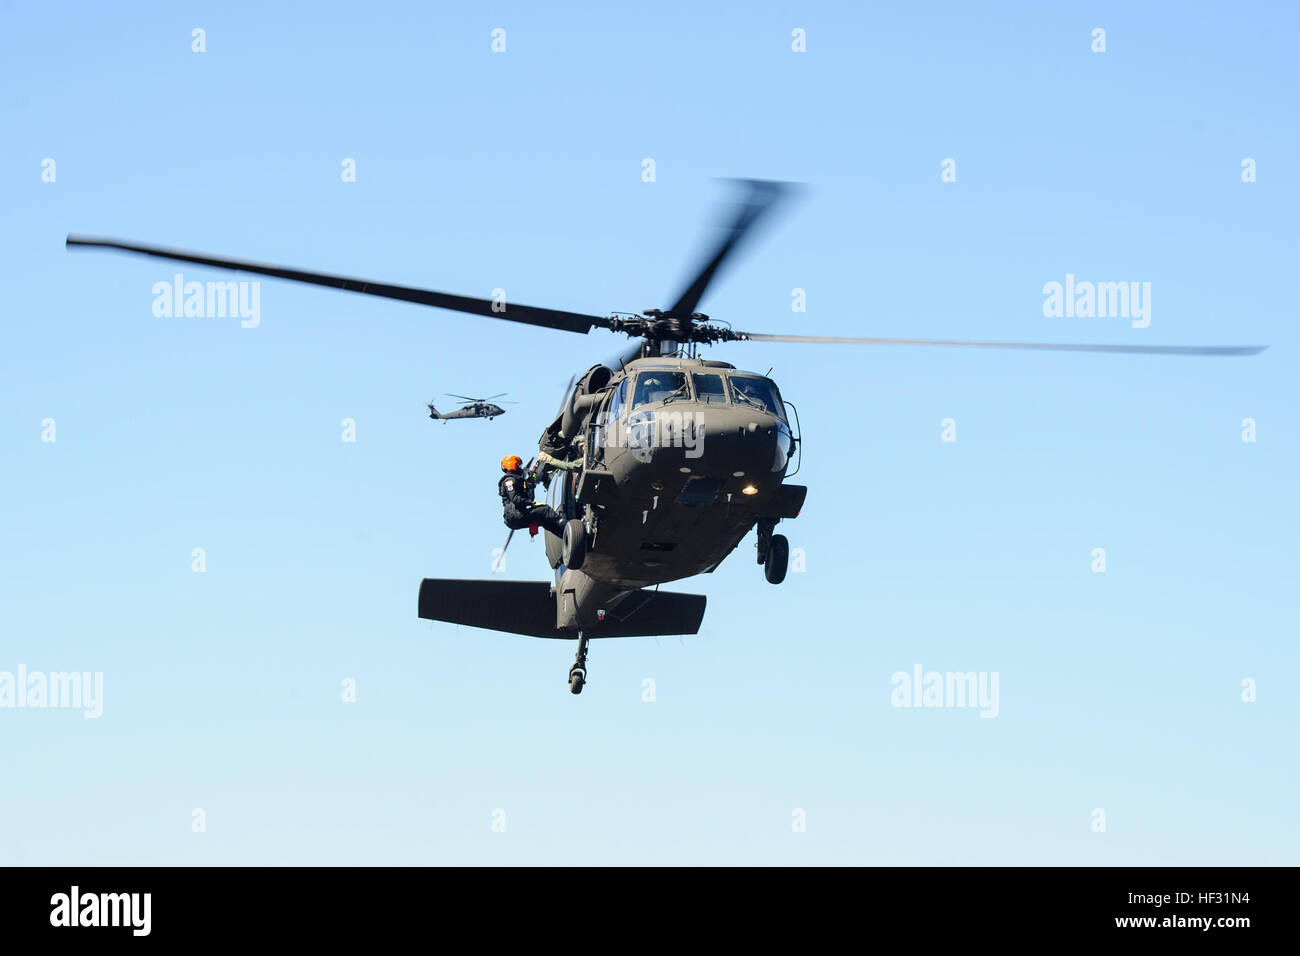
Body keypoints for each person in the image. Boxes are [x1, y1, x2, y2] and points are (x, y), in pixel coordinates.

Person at [498, 454, 579, 536]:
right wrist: (529, 502)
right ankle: (569, 528)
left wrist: (534, 474)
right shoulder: (509, 481)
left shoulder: (519, 482)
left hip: (516, 514)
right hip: (514, 514)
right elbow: (516, 498)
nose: (520, 468)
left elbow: (529, 490)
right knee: (545, 510)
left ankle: (565, 536)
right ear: (512, 465)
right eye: (519, 465)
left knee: (543, 519)